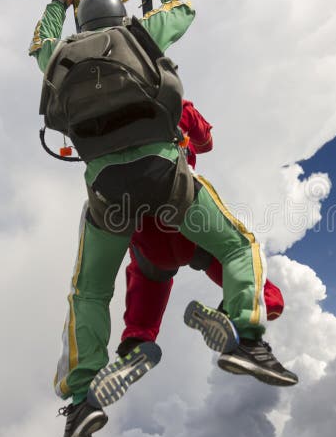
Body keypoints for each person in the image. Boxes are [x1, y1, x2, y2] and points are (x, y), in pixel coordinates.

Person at [28, 0, 297, 437]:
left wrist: (56, 2)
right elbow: (185, 10)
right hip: (170, 186)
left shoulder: (59, 58)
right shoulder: (140, 36)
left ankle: (82, 397)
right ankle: (248, 336)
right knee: (239, 249)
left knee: (90, 292)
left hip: (110, 199)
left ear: (80, 22)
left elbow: (38, 45)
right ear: (118, 14)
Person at [118, 99, 286, 358]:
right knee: (244, 266)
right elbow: (206, 142)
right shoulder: (174, 103)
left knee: (146, 274)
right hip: (187, 211)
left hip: (142, 220)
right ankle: (236, 312)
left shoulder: (109, 119)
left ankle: (136, 340)